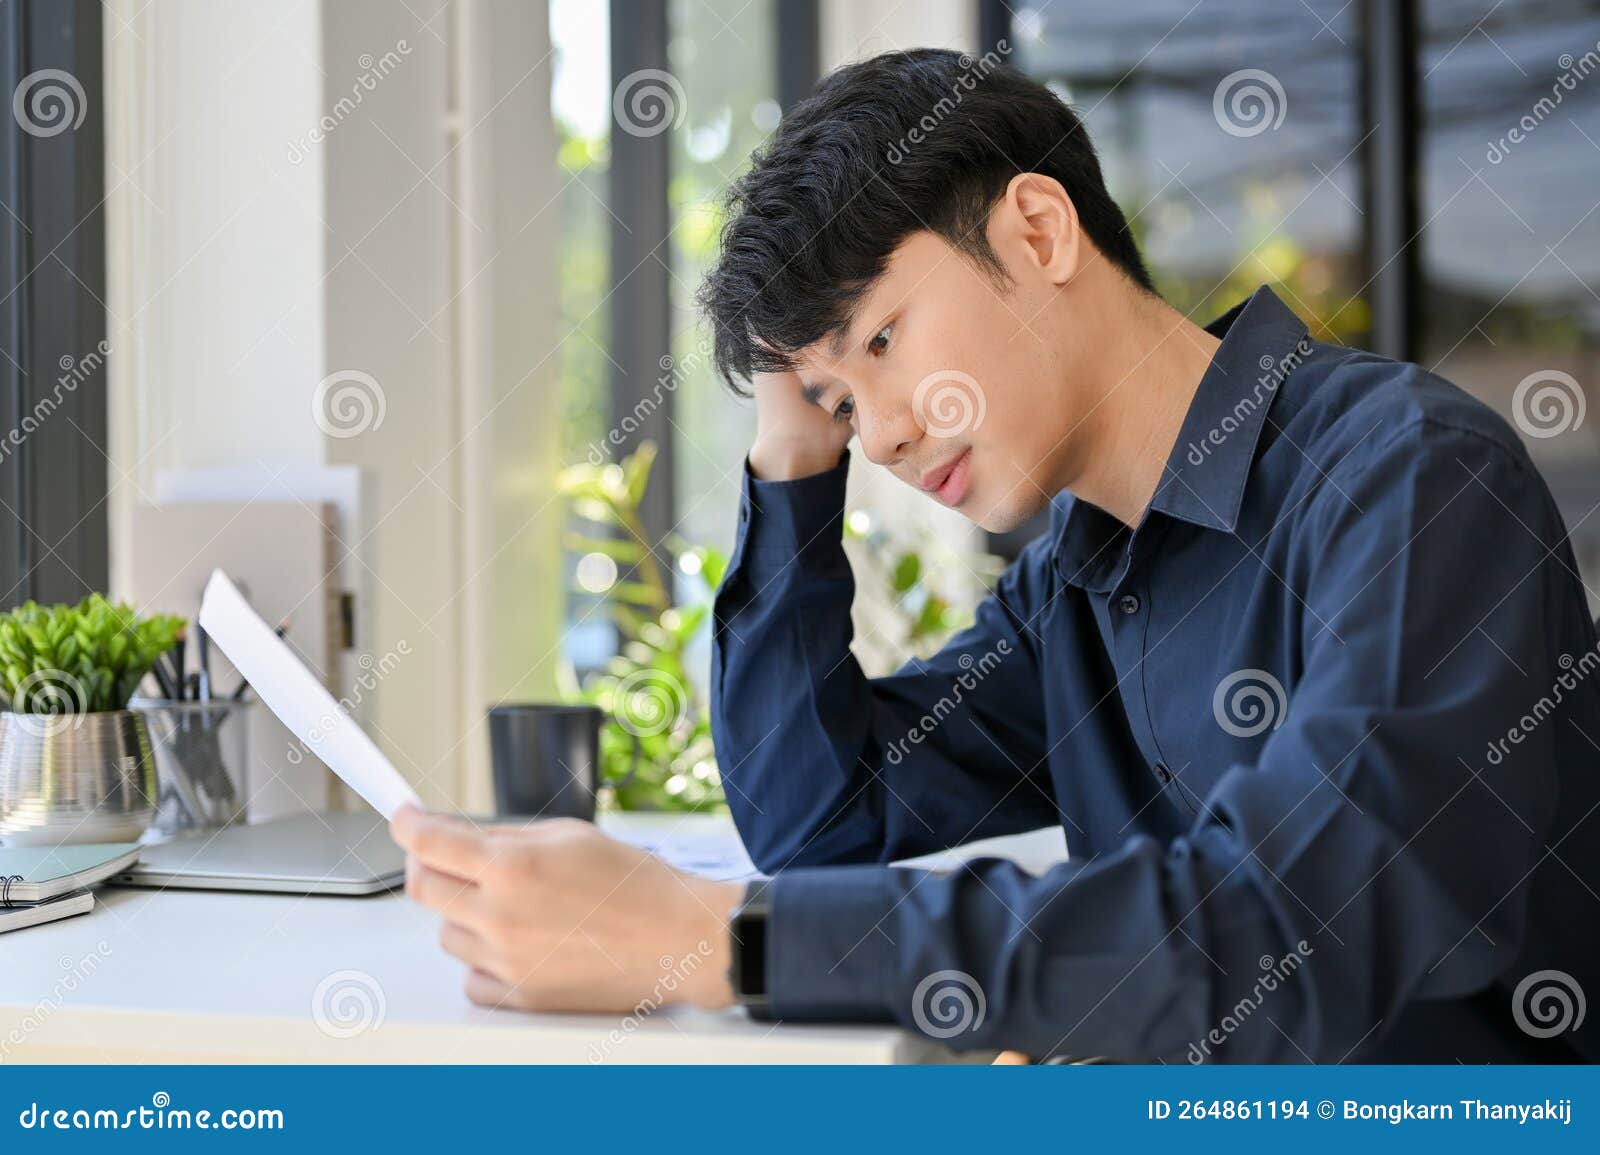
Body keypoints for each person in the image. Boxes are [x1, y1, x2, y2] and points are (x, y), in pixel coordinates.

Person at [392, 48, 1600, 1063]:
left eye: (882, 339)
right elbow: (822, 825)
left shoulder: (1406, 477)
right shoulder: (1073, 585)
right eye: (840, 404)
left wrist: (726, 943)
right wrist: (789, 460)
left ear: (1037, 227)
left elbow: (1286, 932)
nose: (889, 433)